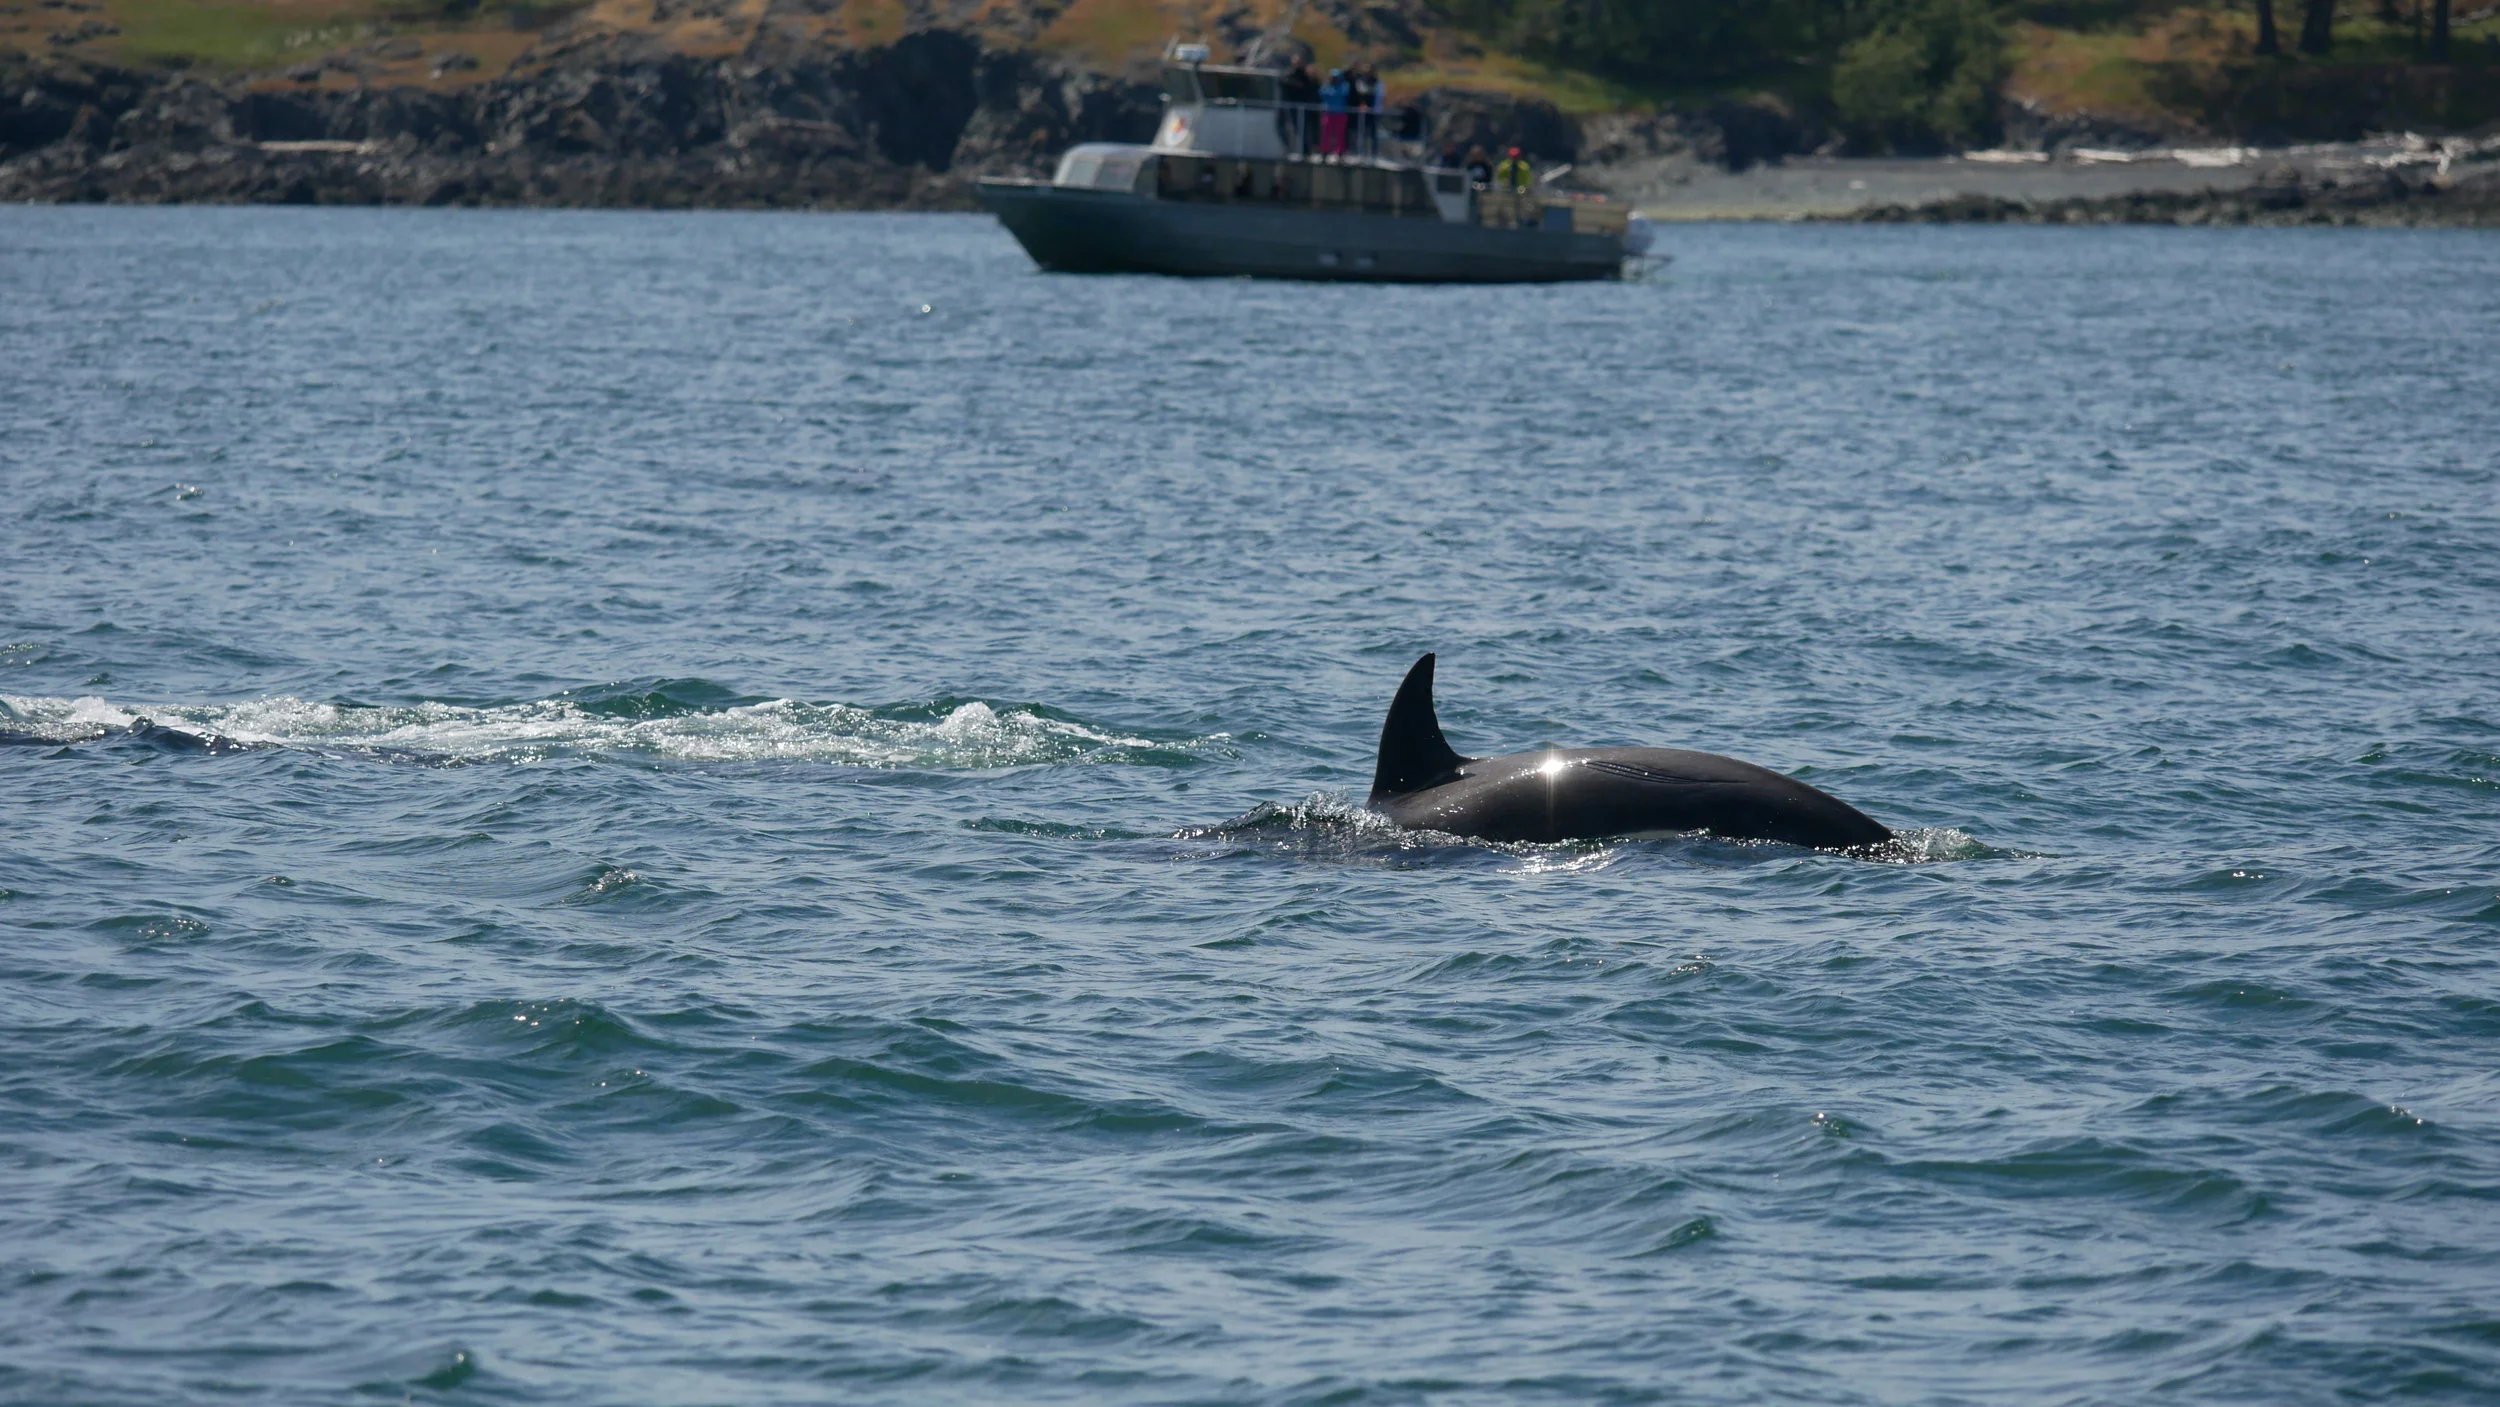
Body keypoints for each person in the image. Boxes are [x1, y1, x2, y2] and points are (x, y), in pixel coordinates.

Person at [1279, 60, 1319, 156]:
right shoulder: (1290, 76)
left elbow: (1307, 89)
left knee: (1303, 130)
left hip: (1303, 108)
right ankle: (1290, 149)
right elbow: (1283, 82)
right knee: (1287, 128)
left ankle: (1305, 151)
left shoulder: (1305, 78)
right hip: (1290, 108)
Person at [1318, 67, 1350, 159]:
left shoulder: (1344, 86)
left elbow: (1344, 94)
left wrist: (1332, 93)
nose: (1334, 79)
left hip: (1340, 114)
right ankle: (1324, 151)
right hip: (1328, 113)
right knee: (1326, 133)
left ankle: (1339, 152)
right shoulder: (1327, 86)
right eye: (1332, 77)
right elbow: (1321, 93)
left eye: (1336, 77)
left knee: (1340, 134)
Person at [1349, 62, 1378, 158]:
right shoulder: (1359, 80)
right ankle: (1359, 152)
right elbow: (1359, 96)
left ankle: (1372, 154)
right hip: (1362, 112)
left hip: (1373, 111)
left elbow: (1377, 96)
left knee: (1372, 133)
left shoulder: (1376, 81)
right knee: (1360, 132)